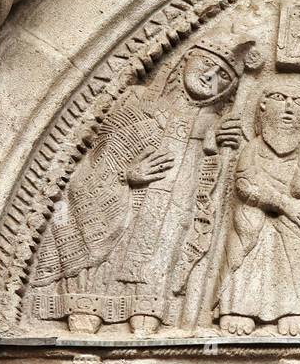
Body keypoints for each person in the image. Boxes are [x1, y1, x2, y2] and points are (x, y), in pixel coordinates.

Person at [29, 35, 254, 336]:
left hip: (171, 212)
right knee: (109, 255)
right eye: (207, 64)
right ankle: (87, 308)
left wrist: (216, 145)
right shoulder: (138, 99)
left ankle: (145, 312)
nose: (211, 76)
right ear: (184, 62)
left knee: (162, 252)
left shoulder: (209, 121)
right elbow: (101, 153)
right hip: (125, 202)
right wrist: (126, 175)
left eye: (223, 76)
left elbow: (210, 182)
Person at [218, 84, 300, 335]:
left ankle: (295, 308)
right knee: (251, 219)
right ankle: (239, 308)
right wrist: (284, 204)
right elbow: (244, 185)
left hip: (292, 225)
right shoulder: (254, 147)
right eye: (280, 98)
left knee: (298, 225)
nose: (289, 107)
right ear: (263, 107)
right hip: (253, 219)